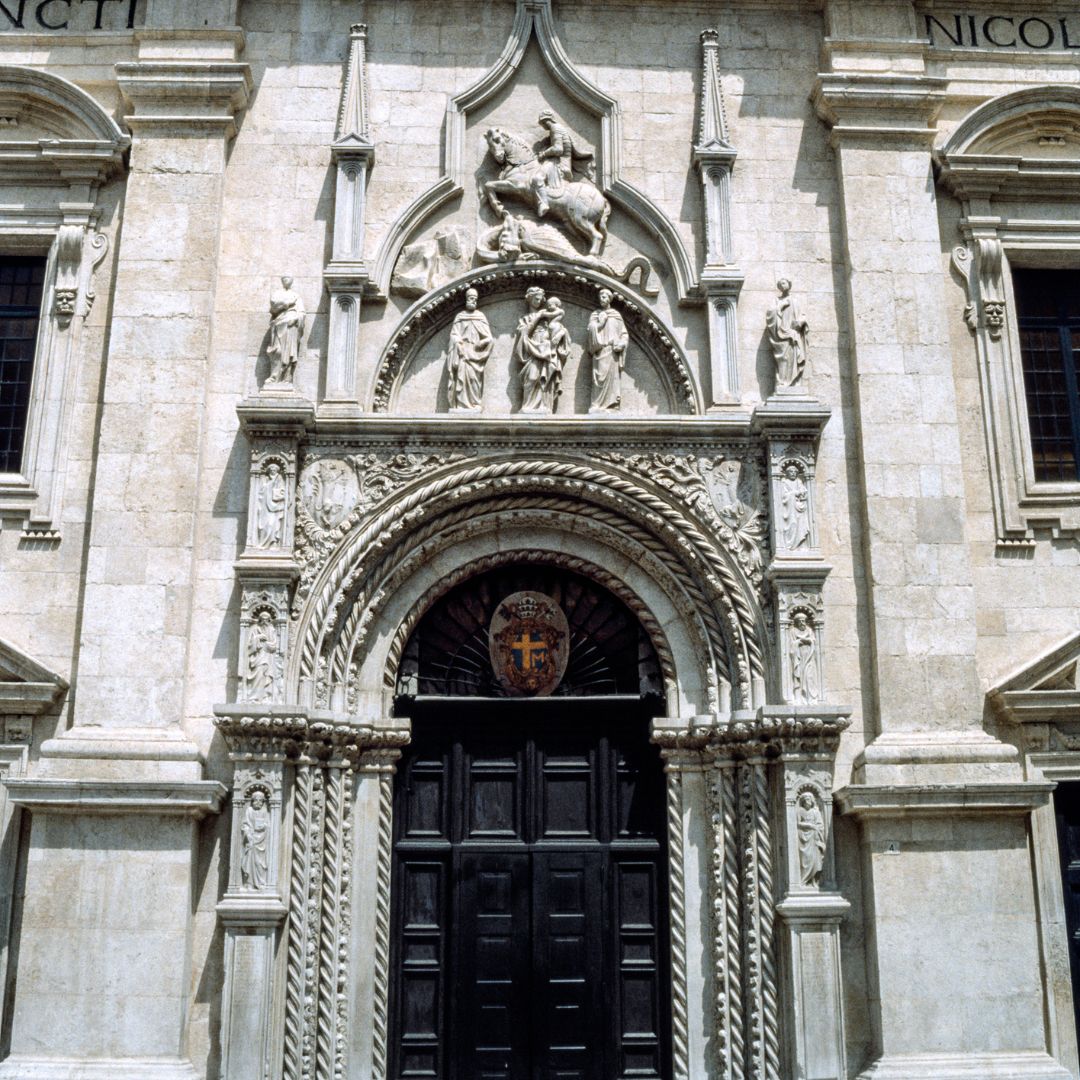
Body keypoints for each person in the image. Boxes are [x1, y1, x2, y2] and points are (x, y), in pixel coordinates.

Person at [533, 109, 594, 217]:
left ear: (547, 120)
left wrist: (544, 154)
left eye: (542, 123)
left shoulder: (555, 129)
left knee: (537, 178)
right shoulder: (559, 128)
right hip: (558, 161)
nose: (542, 126)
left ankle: (543, 203)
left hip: (559, 164)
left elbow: (558, 149)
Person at [446, 288, 494, 411]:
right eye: (471, 298)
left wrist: (482, 342)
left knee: (474, 379)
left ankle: (473, 402)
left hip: (476, 353)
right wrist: (457, 342)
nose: (473, 301)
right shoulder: (460, 317)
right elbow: (454, 334)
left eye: (475, 299)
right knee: (462, 376)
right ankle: (462, 404)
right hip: (463, 351)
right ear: (466, 299)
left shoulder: (480, 316)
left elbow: (489, 338)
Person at [587, 288, 628, 412]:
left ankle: (611, 404)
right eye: (600, 297)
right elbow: (590, 330)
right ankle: (597, 404)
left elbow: (624, 333)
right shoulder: (595, 315)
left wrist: (622, 343)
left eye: (604, 297)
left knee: (612, 378)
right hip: (600, 350)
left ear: (609, 299)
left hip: (612, 351)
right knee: (599, 378)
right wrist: (600, 323)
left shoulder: (616, 315)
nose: (602, 299)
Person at [765, 277, 809, 388]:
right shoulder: (777, 301)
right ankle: (782, 382)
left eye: (784, 283)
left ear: (789, 284)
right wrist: (780, 306)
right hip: (781, 335)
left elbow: (802, 315)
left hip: (793, 334)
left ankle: (794, 382)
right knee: (783, 359)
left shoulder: (795, 301)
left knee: (793, 357)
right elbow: (770, 314)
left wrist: (801, 322)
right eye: (780, 284)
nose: (783, 285)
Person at [267, 276, 306, 384]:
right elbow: (273, 309)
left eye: (288, 278)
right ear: (282, 281)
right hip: (279, 323)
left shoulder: (296, 296)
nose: (286, 280)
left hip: (291, 326)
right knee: (277, 351)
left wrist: (296, 318)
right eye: (284, 278)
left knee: (289, 353)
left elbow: (302, 312)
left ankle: (286, 378)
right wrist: (285, 304)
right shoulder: (276, 294)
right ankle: (274, 376)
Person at [240, 789, 270, 890]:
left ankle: (261, 882)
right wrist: (248, 833)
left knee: (260, 863)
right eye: (255, 800)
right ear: (252, 801)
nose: (258, 803)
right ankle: (249, 883)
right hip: (251, 840)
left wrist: (263, 827)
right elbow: (245, 824)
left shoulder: (265, 811)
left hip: (262, 842)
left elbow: (268, 825)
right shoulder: (249, 810)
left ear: (263, 802)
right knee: (249, 861)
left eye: (260, 801)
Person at [254, 461, 287, 547]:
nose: (273, 471)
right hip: (265, 506)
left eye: (275, 469)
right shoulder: (264, 478)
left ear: (277, 470)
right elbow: (260, 491)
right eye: (271, 469)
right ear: (268, 470)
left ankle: (274, 542)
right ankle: (263, 543)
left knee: (273, 524)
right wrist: (267, 486)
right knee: (264, 524)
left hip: (276, 505)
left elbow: (283, 491)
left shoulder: (279, 478)